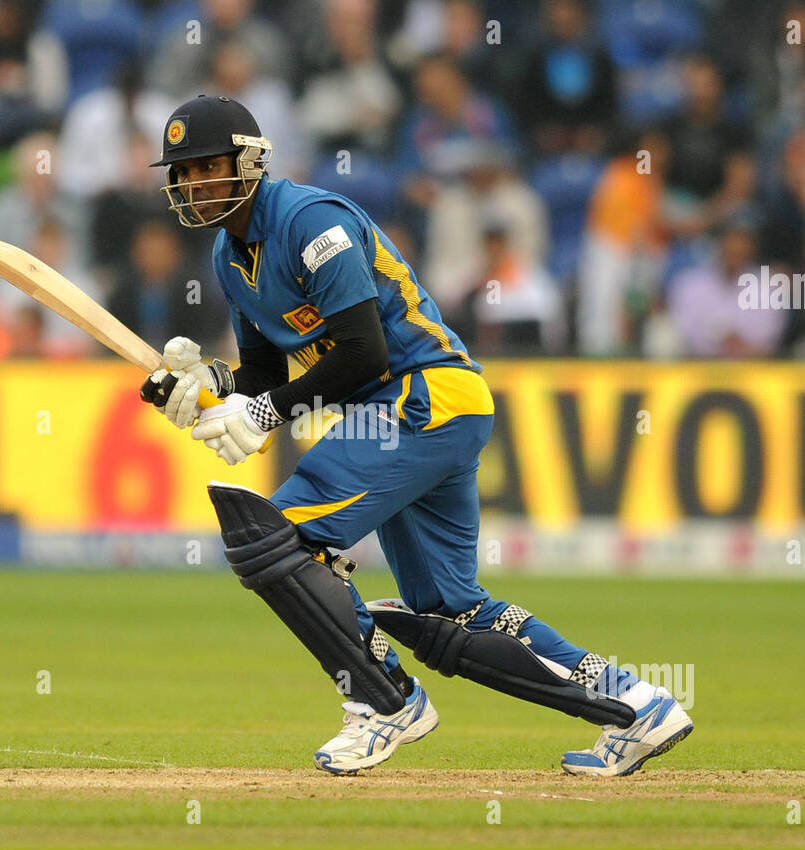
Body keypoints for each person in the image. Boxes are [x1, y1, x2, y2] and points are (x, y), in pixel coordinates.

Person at [139, 95, 694, 776]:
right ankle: (635, 704)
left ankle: (385, 700)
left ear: (251, 162)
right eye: (183, 173)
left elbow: (364, 353)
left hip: (422, 395)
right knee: (452, 614)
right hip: (408, 411)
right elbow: (261, 370)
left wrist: (262, 414)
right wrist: (207, 389)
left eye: (207, 167)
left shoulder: (312, 222)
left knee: (274, 536)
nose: (194, 184)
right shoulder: (231, 256)